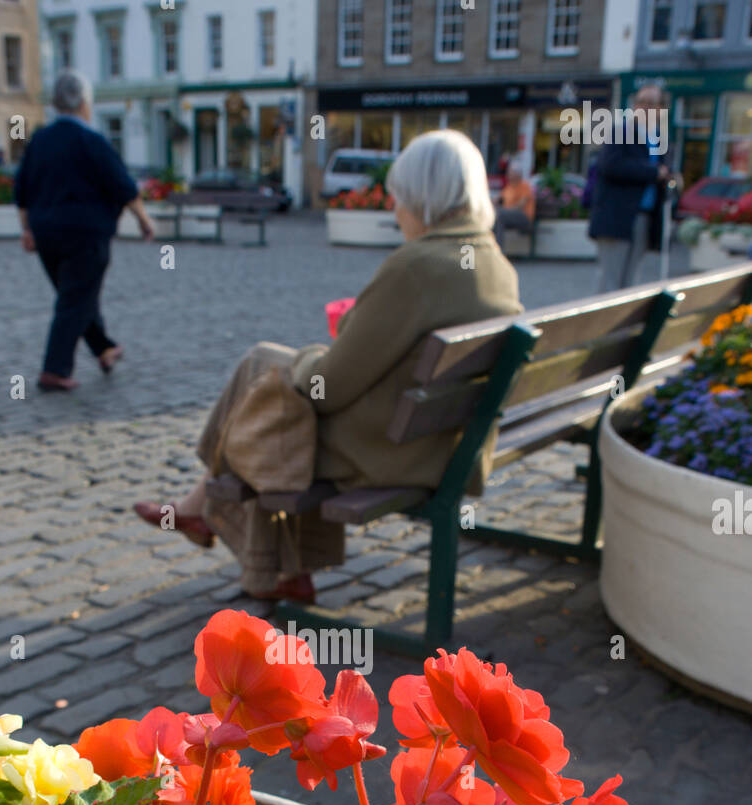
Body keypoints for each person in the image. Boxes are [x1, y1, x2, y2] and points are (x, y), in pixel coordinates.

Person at [134, 129, 522, 602]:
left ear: (421, 198)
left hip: (396, 453)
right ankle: (259, 554)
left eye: (397, 198)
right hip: (447, 442)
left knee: (268, 387)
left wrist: (310, 359)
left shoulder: (417, 267)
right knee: (271, 390)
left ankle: (214, 520)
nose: (394, 210)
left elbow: (328, 386)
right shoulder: (494, 262)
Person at [14, 70, 155, 392]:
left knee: (76, 294)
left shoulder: (39, 141)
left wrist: (26, 230)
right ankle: (54, 369)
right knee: (74, 299)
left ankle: (104, 349)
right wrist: (144, 220)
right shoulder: (91, 141)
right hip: (85, 233)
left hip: (47, 233)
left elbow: (21, 190)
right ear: (84, 105)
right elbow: (123, 185)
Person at [588, 84, 675, 293]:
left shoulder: (660, 139)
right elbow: (610, 166)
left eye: (652, 103)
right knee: (610, 280)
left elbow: (662, 170)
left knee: (630, 281)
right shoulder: (620, 131)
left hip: (644, 216)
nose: (646, 108)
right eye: (642, 102)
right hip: (616, 216)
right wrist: (654, 173)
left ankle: (624, 324)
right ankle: (605, 324)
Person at [494, 157, 536, 250]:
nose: (508, 174)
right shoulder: (509, 187)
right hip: (508, 216)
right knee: (494, 216)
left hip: (524, 218)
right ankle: (493, 249)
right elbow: (497, 200)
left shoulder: (525, 186)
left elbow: (520, 206)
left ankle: (498, 250)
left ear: (518, 174)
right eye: (508, 172)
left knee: (499, 215)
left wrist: (504, 210)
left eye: (510, 172)